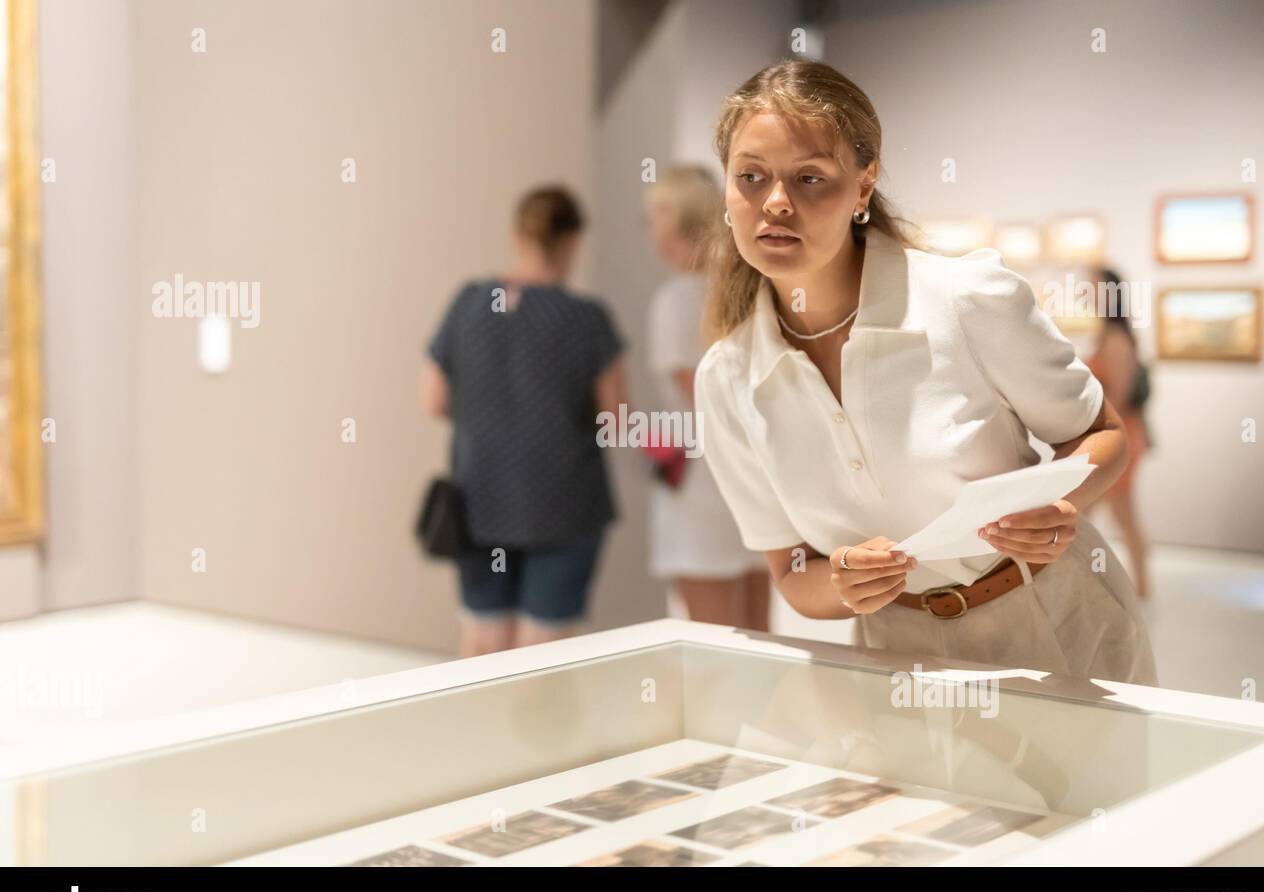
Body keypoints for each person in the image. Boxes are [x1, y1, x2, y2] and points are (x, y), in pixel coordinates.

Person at [693, 58, 1156, 685]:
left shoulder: (964, 298)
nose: (775, 203)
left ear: (863, 186)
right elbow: (791, 571)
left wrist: (1059, 505)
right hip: (893, 651)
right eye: (751, 176)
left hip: (1052, 621)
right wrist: (841, 582)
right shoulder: (726, 378)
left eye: (810, 178)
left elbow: (1102, 434)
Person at [423, 185, 627, 658]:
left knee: (483, 640)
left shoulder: (469, 302)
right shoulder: (587, 319)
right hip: (564, 506)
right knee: (544, 654)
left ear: (518, 236)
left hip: (479, 502)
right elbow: (617, 423)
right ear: (574, 240)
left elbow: (433, 400)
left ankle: (480, 733)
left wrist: (493, 416)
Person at [643, 165, 771, 629]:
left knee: (711, 640)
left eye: (658, 213)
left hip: (700, 480)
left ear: (679, 219)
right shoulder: (749, 288)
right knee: (758, 634)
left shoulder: (676, 300)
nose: (652, 227)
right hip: (752, 476)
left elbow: (698, 394)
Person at [1085, 267, 1153, 599]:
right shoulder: (1110, 336)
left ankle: (1142, 586)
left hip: (1120, 436)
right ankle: (1139, 585)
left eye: (1093, 286)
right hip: (1117, 435)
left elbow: (1118, 397)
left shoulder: (1115, 339)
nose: (1086, 292)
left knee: (1117, 512)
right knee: (1106, 511)